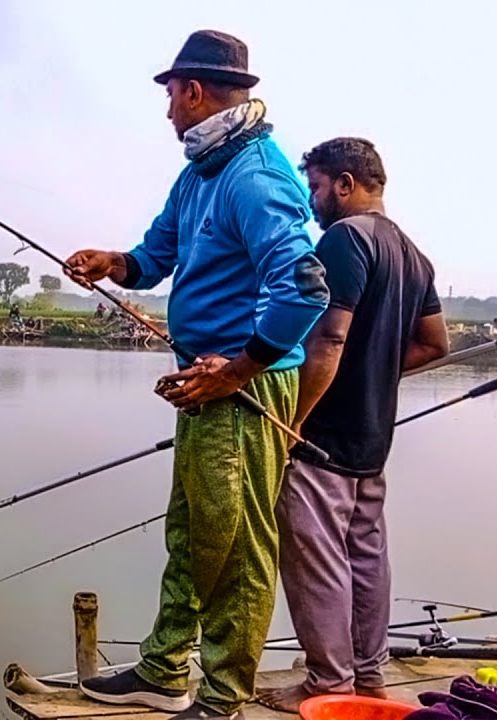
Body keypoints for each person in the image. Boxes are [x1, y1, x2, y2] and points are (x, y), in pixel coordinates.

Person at [65, 30, 329, 719]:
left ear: (192, 91)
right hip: (204, 384)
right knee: (190, 532)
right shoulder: (200, 173)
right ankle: (163, 670)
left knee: (237, 546)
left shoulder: (255, 175)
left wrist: (239, 370)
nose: (167, 112)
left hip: (244, 386)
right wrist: (111, 262)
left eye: (171, 96)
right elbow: (155, 257)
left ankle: (223, 696)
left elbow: (305, 287)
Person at [256, 138, 449, 713]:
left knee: (315, 560)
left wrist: (291, 420)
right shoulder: (414, 256)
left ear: (345, 183)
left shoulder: (345, 239)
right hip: (373, 438)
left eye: (316, 186)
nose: (312, 200)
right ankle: (368, 677)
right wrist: (376, 369)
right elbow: (434, 345)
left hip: (323, 435)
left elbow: (330, 337)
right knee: (366, 557)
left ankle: (326, 684)